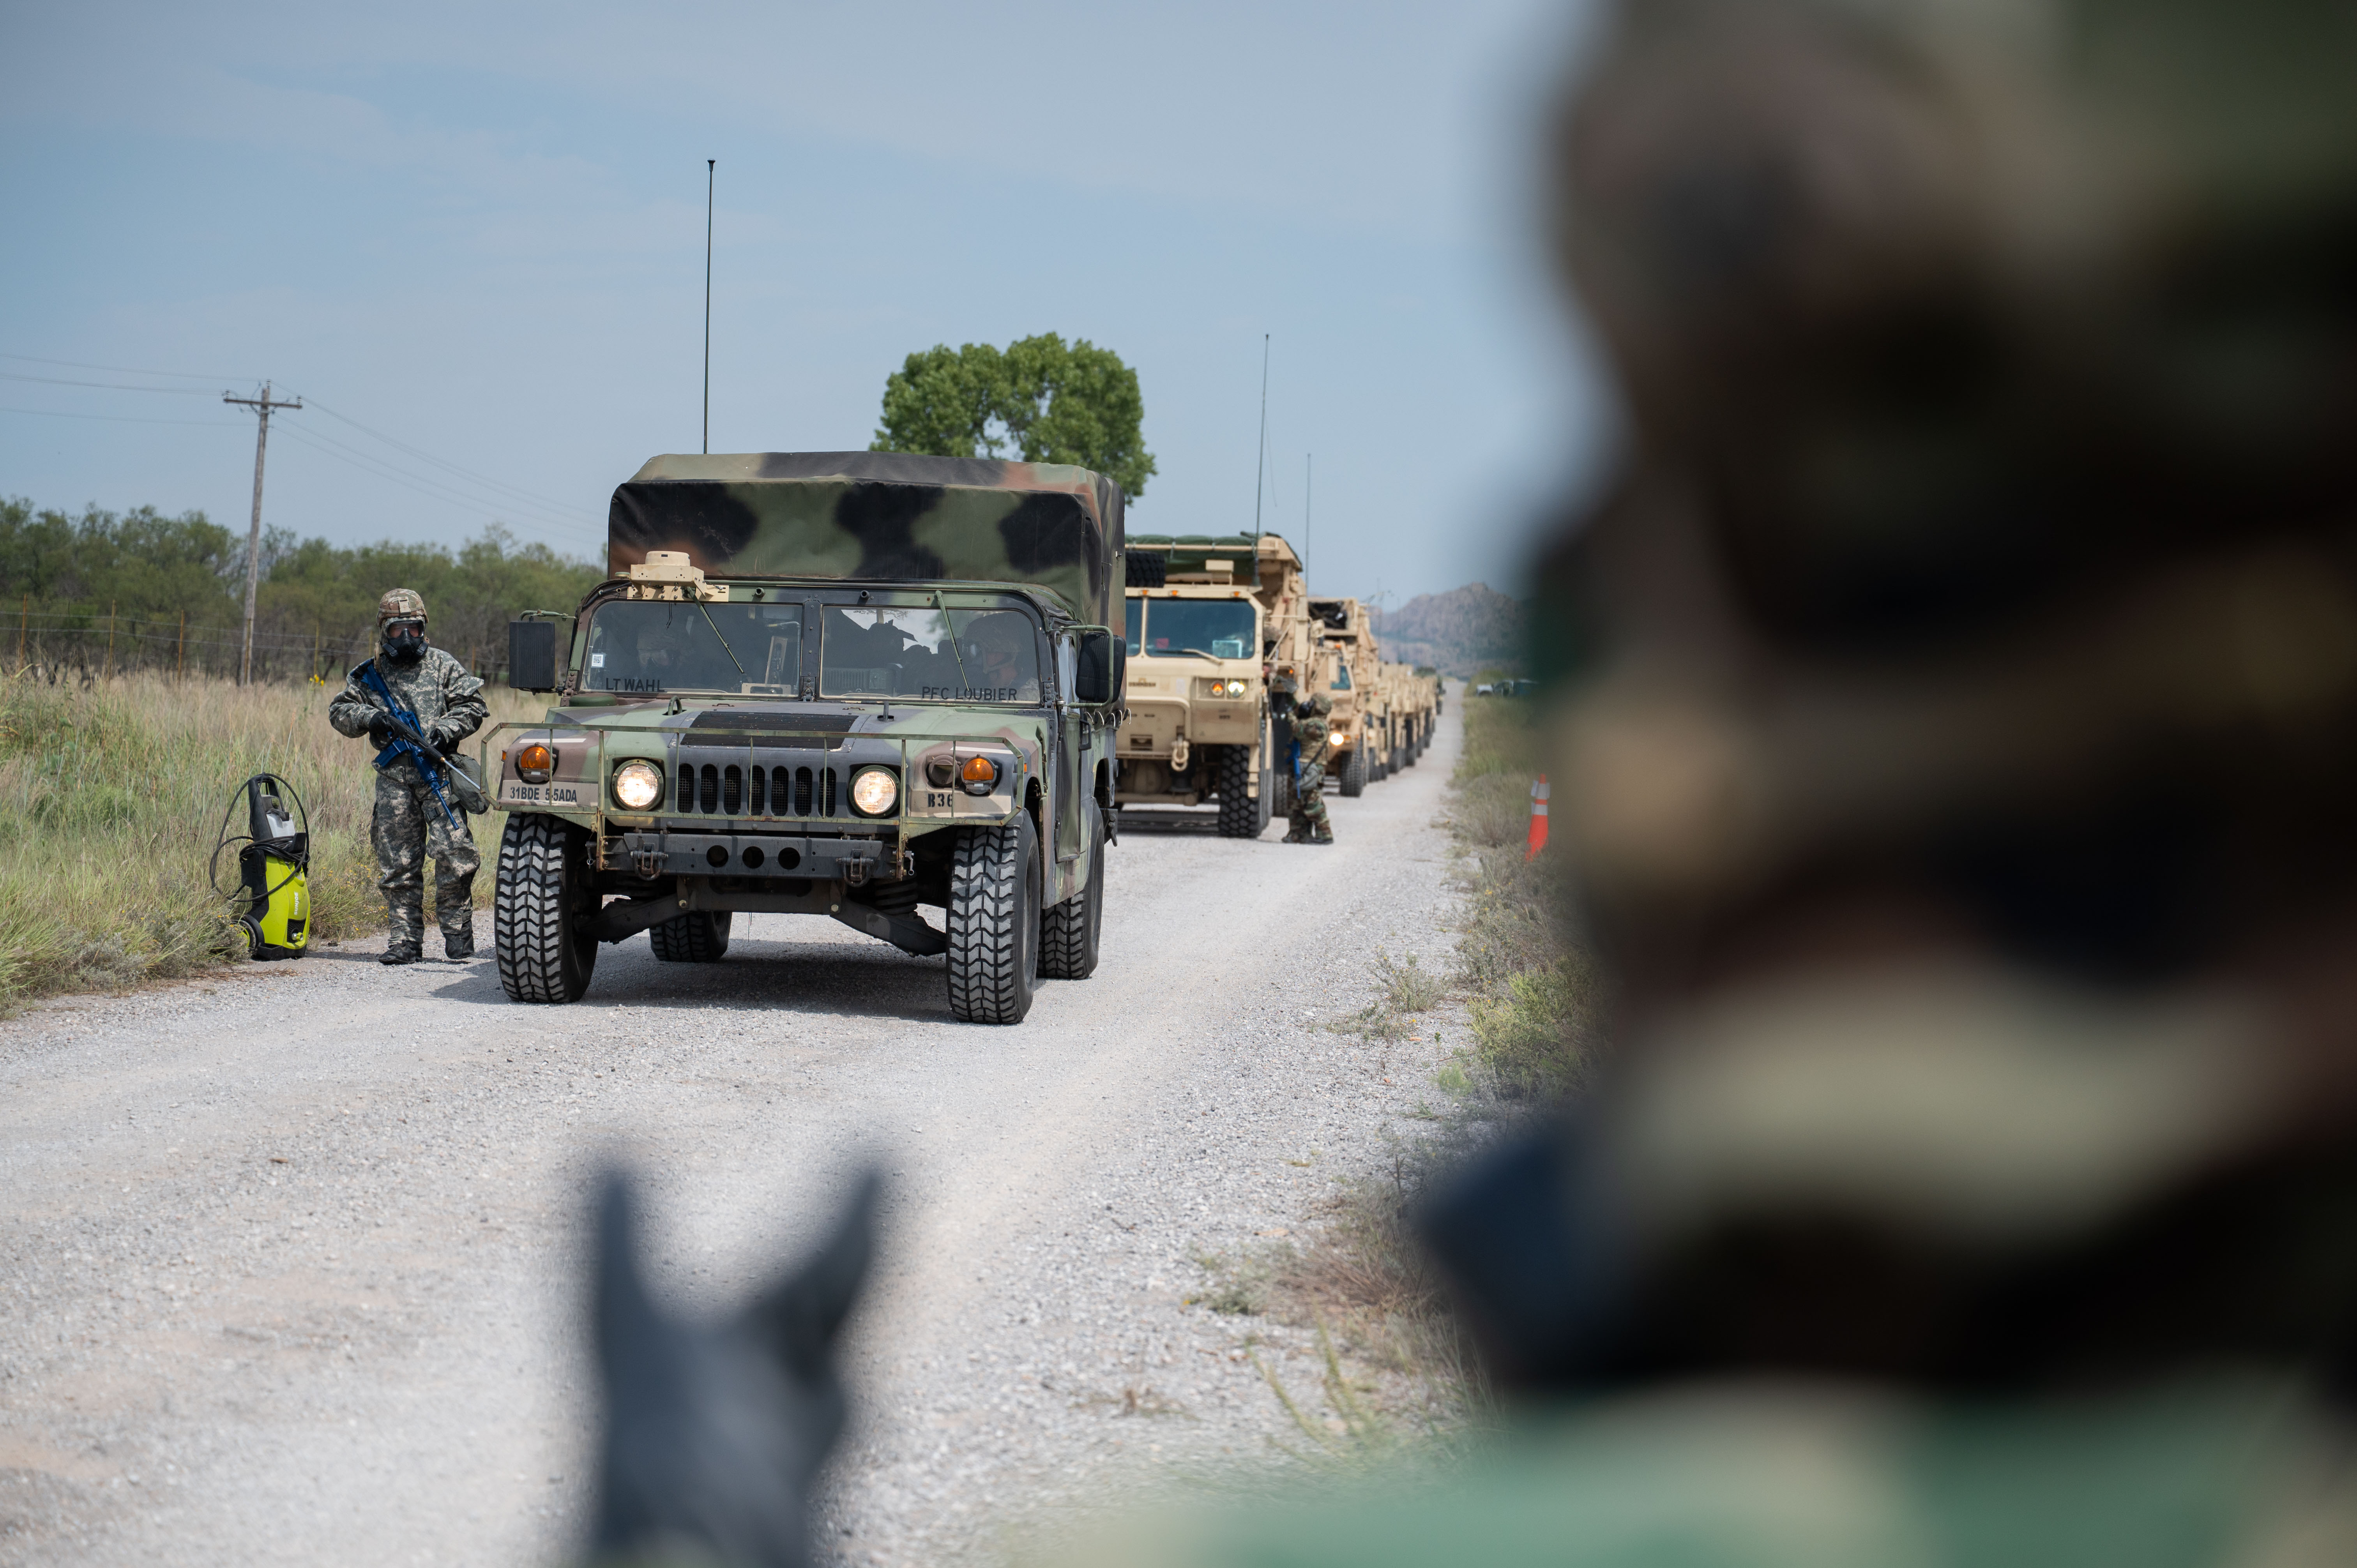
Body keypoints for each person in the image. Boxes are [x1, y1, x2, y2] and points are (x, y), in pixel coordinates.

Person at [328, 589, 488, 964]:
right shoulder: (371, 674)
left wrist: (446, 731)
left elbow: (474, 705)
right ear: (384, 630)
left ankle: (457, 934)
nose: (406, 638)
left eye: (414, 629)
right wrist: (372, 718)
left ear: (423, 628)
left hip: (438, 773)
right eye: (398, 630)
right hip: (394, 779)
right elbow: (340, 711)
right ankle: (404, 941)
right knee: (398, 862)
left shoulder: (442, 666)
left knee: (456, 854)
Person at [1276, 677, 1334, 846]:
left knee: (1312, 802)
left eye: (1312, 703)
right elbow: (1297, 710)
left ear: (1319, 708)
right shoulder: (1311, 720)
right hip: (1301, 767)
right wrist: (1289, 696)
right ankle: (1298, 834)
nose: (1309, 705)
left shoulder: (1318, 725)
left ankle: (1325, 834)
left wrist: (1289, 714)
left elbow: (1297, 728)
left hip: (1311, 769)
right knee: (1296, 803)